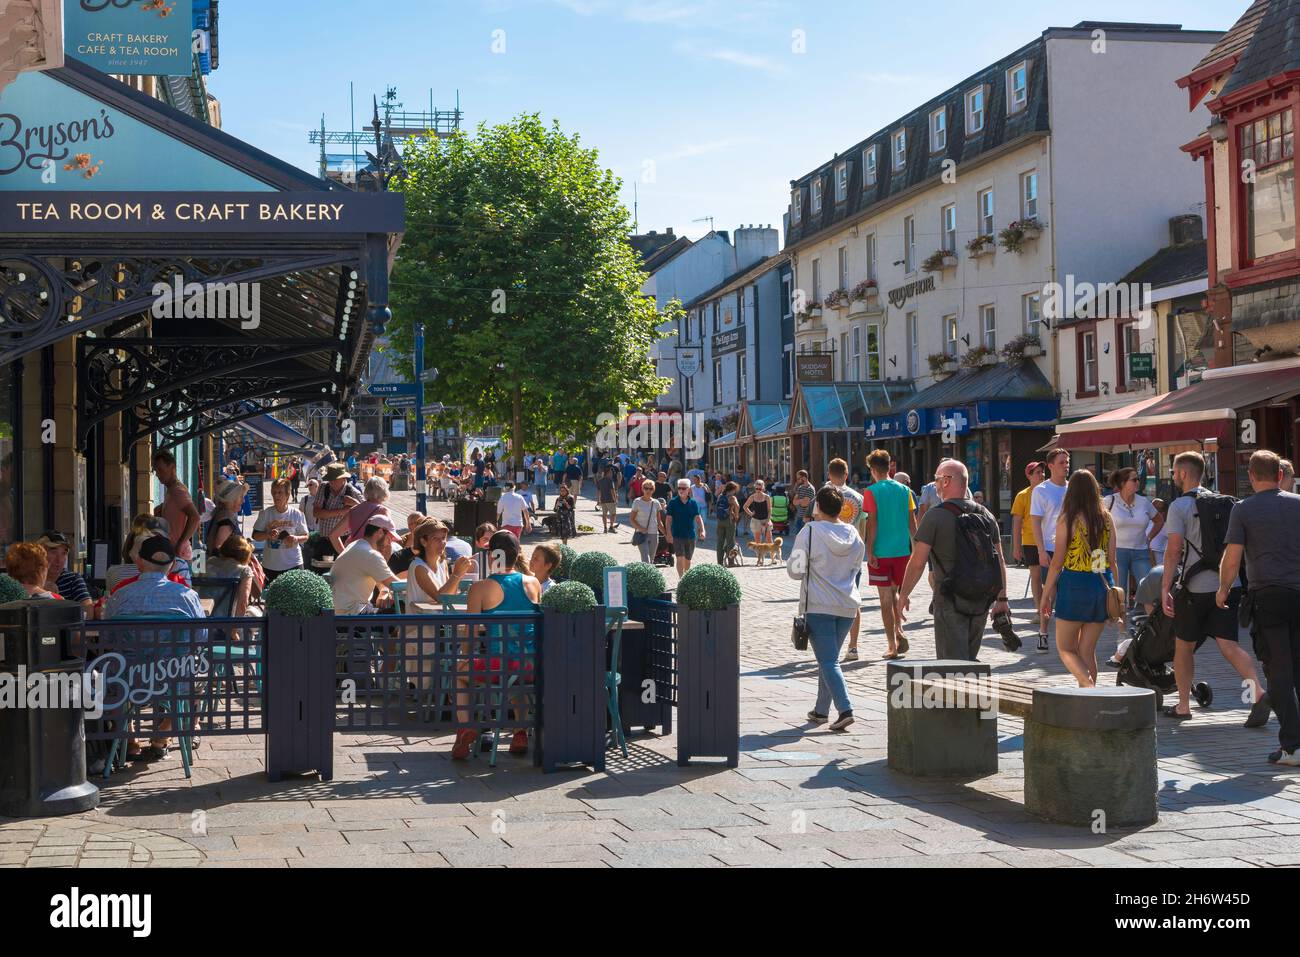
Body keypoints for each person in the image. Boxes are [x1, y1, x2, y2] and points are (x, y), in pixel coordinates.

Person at [1160, 450, 1268, 725]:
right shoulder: (1226, 503)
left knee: (1183, 646)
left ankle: (1184, 705)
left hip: (1194, 588)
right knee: (1229, 645)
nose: (1174, 476)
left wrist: (1165, 588)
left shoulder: (1179, 507)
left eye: (1174, 471)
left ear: (1183, 474)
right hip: (1227, 584)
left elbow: (1173, 551)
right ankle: (1257, 692)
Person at [1217, 450, 1300, 764]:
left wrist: (1223, 589)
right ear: (1280, 475)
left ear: (1251, 476)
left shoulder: (1243, 510)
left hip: (1268, 597)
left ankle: (1292, 745)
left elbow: (1233, 556)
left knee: (1279, 671)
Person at [105, 535, 206, 762]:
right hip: (174, 677)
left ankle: (130, 741)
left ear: (139, 562)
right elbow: (200, 638)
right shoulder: (188, 597)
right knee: (194, 679)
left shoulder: (120, 596)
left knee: (108, 676)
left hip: (128, 678)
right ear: (171, 564)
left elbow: (108, 638)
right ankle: (161, 736)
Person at [899, 460, 1010, 661]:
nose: (935, 485)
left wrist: (903, 595)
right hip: (980, 600)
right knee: (969, 661)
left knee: (951, 666)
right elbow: (999, 560)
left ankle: (960, 692)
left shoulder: (935, 516)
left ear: (947, 481)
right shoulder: (986, 514)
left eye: (937, 480)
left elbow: (917, 563)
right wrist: (1002, 599)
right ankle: (970, 691)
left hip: (949, 601)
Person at [452, 531, 543, 760]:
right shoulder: (533, 583)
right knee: (514, 677)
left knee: (459, 673)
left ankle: (467, 726)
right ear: (518, 553)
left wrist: (465, 657)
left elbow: (470, 635)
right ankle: (520, 732)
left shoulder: (480, 588)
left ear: (492, 556)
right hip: (532, 664)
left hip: (499, 665)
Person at [788, 484, 863, 732]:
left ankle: (845, 710)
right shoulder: (853, 534)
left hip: (819, 605)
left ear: (817, 506)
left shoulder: (809, 532)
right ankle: (821, 710)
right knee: (827, 659)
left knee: (828, 660)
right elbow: (856, 568)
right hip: (847, 606)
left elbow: (796, 571)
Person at [1040, 470, 1119, 687]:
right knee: (1087, 650)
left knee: (1066, 648)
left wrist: (1046, 596)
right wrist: (1116, 593)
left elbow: (1056, 563)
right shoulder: (1107, 518)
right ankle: (1088, 700)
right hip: (1101, 584)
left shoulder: (1068, 519)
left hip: (1074, 585)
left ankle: (1090, 690)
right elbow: (1112, 560)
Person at [862, 449, 918, 660]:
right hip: (903, 551)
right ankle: (898, 630)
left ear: (873, 470)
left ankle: (892, 645)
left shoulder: (872, 491)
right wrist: (917, 549)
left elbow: (872, 522)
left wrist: (870, 550)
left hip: (881, 551)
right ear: (889, 467)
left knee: (885, 598)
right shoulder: (905, 491)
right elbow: (913, 525)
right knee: (895, 593)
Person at [824, 458, 868, 661]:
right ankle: (853, 646)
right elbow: (863, 529)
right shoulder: (858, 498)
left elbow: (818, 524)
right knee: (853, 600)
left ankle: (831, 645)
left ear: (829, 474)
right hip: (853, 557)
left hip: (829, 557)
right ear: (847, 473)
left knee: (829, 600)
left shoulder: (824, 496)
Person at [1030, 448, 1071, 653]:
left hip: (1072, 550)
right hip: (1050, 548)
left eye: (1067, 461)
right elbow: (1035, 522)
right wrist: (1040, 550)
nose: (1066, 465)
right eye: (1062, 462)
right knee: (1050, 593)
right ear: (1051, 466)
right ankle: (1043, 631)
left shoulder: (1073, 488)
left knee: (1069, 593)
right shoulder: (1041, 490)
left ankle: (1067, 638)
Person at [1105, 466, 1157, 616]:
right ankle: (1120, 625)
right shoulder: (1109, 501)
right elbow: (1098, 524)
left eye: (1138, 479)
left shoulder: (1144, 502)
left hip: (1140, 551)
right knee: (1119, 590)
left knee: (1148, 587)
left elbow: (1158, 520)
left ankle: (1151, 621)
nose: (1137, 482)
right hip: (1116, 552)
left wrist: (1149, 537)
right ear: (1122, 483)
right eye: (1134, 479)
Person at [329, 515, 402, 614]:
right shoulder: (370, 554)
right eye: (389, 538)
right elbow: (396, 586)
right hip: (351, 615)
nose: (389, 543)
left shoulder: (356, 545)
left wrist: (383, 590)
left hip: (341, 611)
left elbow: (379, 577)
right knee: (400, 613)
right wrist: (419, 583)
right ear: (380, 532)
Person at [152, 450, 200, 586]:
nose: (158, 475)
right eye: (156, 471)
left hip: (179, 555)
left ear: (172, 467)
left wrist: (180, 543)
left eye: (161, 470)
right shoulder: (172, 491)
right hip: (175, 553)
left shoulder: (177, 490)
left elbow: (195, 517)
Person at [407, 518, 475, 606]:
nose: (442, 542)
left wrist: (460, 574)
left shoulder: (442, 563)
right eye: (435, 538)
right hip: (420, 619)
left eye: (443, 538)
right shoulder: (418, 567)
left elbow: (450, 596)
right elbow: (441, 598)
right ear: (423, 542)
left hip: (437, 617)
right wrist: (457, 574)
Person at [252, 478, 309, 582]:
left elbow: (305, 536)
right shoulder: (266, 513)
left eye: (280, 492)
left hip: (293, 563)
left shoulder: (297, 514)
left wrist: (295, 538)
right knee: (270, 597)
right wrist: (268, 535)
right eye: (274, 492)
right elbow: (255, 535)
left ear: (287, 494)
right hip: (271, 565)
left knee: (295, 597)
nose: (276, 496)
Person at [1011, 461, 1046, 622]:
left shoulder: (1050, 491)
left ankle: (1049, 607)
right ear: (1029, 476)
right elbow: (1017, 523)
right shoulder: (1023, 495)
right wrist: (1016, 547)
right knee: (1036, 576)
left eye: (1042, 471)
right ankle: (1040, 611)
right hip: (1031, 541)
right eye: (1037, 472)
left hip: (1051, 540)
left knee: (1053, 578)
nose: (1041, 475)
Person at [309, 462, 362, 567]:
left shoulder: (353, 493)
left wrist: (355, 504)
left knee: (343, 572)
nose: (331, 482)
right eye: (330, 479)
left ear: (343, 479)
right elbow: (317, 513)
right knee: (322, 571)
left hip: (343, 542)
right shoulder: (324, 488)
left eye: (334, 479)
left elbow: (365, 515)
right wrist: (343, 511)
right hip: (324, 540)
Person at [36, 531, 92, 617]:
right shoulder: (29, 580)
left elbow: (88, 612)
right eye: (53, 552)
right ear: (40, 554)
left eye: (64, 554)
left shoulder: (73, 579)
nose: (59, 559)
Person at [331, 476, 390, 555]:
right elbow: (388, 540)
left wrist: (344, 554)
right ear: (384, 491)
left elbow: (333, 535)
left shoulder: (354, 509)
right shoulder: (383, 511)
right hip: (371, 556)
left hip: (353, 552)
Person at [206, 535, 257, 619]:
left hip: (201, 620)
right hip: (226, 623)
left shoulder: (210, 562)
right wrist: (233, 630)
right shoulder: (244, 571)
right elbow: (242, 603)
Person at [665, 478, 706, 575]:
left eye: (684, 488)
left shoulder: (693, 503)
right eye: (679, 488)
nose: (681, 490)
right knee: (680, 557)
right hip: (677, 535)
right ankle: (681, 579)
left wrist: (703, 530)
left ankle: (686, 576)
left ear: (688, 490)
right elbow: (668, 520)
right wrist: (669, 534)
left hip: (690, 535)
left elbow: (698, 518)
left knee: (688, 559)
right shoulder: (673, 502)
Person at [206, 477, 249, 556]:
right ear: (232, 498)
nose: (243, 501)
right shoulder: (227, 518)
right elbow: (218, 548)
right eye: (241, 497)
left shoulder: (222, 512)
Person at [630, 480, 664, 564]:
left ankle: (649, 576)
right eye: (646, 488)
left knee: (651, 560)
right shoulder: (637, 502)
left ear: (653, 490)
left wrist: (666, 534)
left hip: (654, 533)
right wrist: (641, 528)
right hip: (641, 534)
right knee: (646, 558)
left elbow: (659, 522)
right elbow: (632, 519)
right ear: (642, 489)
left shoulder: (656, 503)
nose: (648, 490)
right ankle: (646, 575)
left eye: (650, 489)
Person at [714, 481, 740, 564]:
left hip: (719, 521)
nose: (735, 492)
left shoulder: (720, 496)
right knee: (730, 542)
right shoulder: (731, 497)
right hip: (729, 521)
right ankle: (731, 562)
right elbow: (737, 506)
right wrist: (736, 515)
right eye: (735, 490)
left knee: (720, 542)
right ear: (732, 489)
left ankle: (720, 562)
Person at [744, 480, 773, 545]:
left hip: (765, 519)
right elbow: (745, 506)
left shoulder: (767, 497)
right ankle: (760, 555)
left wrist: (768, 521)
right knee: (758, 542)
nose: (758, 490)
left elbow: (769, 509)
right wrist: (750, 513)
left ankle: (772, 555)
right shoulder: (752, 497)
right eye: (756, 488)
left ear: (763, 488)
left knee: (769, 540)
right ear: (755, 488)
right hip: (756, 520)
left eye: (760, 489)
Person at [790, 469, 815, 538]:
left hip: (806, 519)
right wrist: (801, 500)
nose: (797, 480)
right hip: (798, 517)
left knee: (805, 540)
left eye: (798, 478)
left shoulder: (810, 489)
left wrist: (799, 500)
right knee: (798, 539)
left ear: (804, 477)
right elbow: (794, 502)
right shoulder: (800, 488)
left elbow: (805, 504)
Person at [596, 468, 619, 533]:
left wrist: (598, 500)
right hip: (610, 499)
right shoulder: (610, 480)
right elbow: (612, 490)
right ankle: (611, 527)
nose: (612, 474)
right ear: (608, 473)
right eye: (611, 472)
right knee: (613, 514)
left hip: (603, 500)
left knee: (604, 514)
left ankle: (605, 528)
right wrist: (615, 499)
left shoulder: (600, 481)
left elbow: (598, 491)